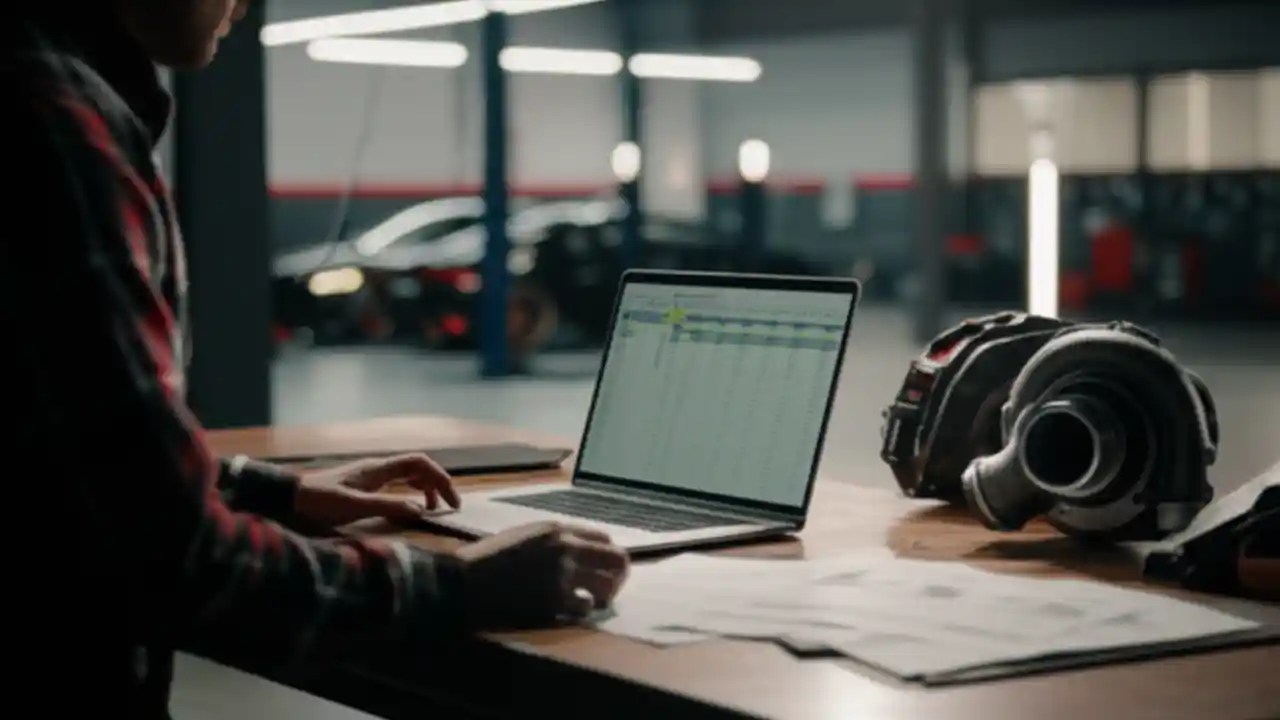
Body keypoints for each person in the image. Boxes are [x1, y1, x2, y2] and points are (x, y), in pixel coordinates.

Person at [3, 1, 629, 716]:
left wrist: (277, 495)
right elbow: (177, 562)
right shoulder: (54, 127)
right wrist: (461, 586)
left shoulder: (47, 90)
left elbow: (73, 463)